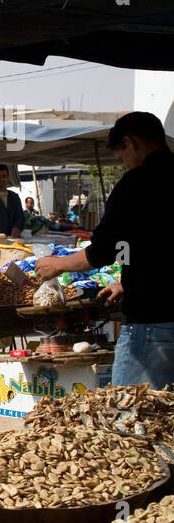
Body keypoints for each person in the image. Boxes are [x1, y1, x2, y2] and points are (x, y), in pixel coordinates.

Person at [37, 111, 173, 388]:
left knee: (132, 416)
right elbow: (146, 244)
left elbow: (102, 251)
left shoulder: (137, 183)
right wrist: (129, 282)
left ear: (132, 142)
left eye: (122, 158)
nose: (123, 165)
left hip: (153, 322)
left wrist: (57, 265)